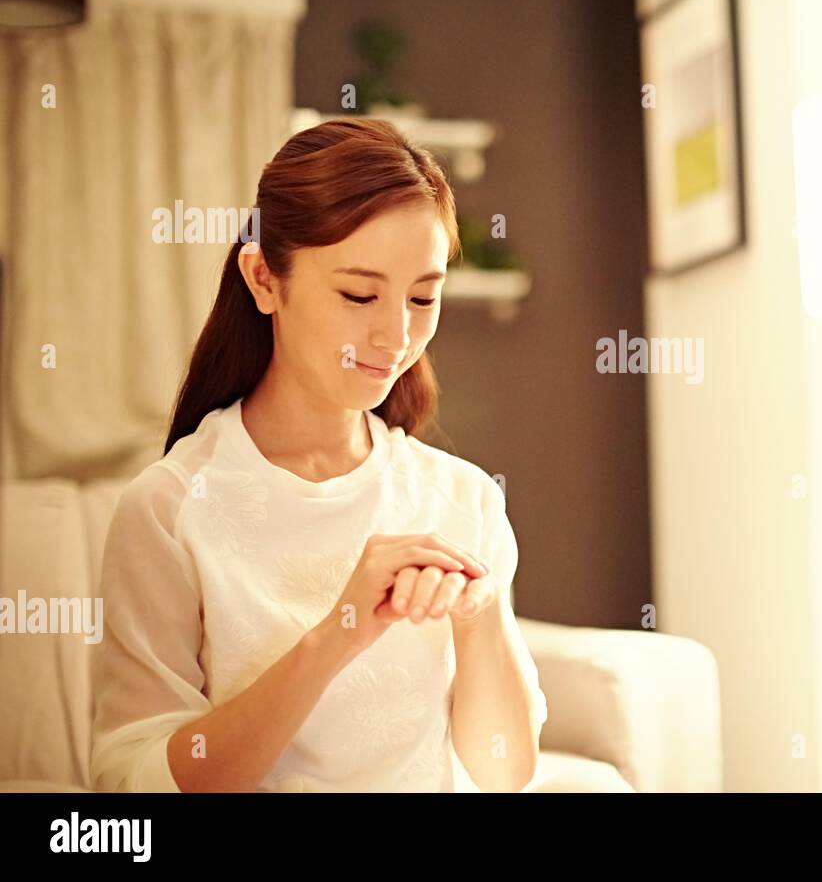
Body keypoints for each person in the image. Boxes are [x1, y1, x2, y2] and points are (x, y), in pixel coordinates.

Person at [89, 118, 546, 792]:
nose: (396, 334)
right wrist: (341, 631)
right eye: (359, 294)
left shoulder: (462, 498)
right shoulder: (169, 510)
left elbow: (504, 773)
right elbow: (135, 783)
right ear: (264, 279)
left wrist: (478, 618)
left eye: (423, 296)